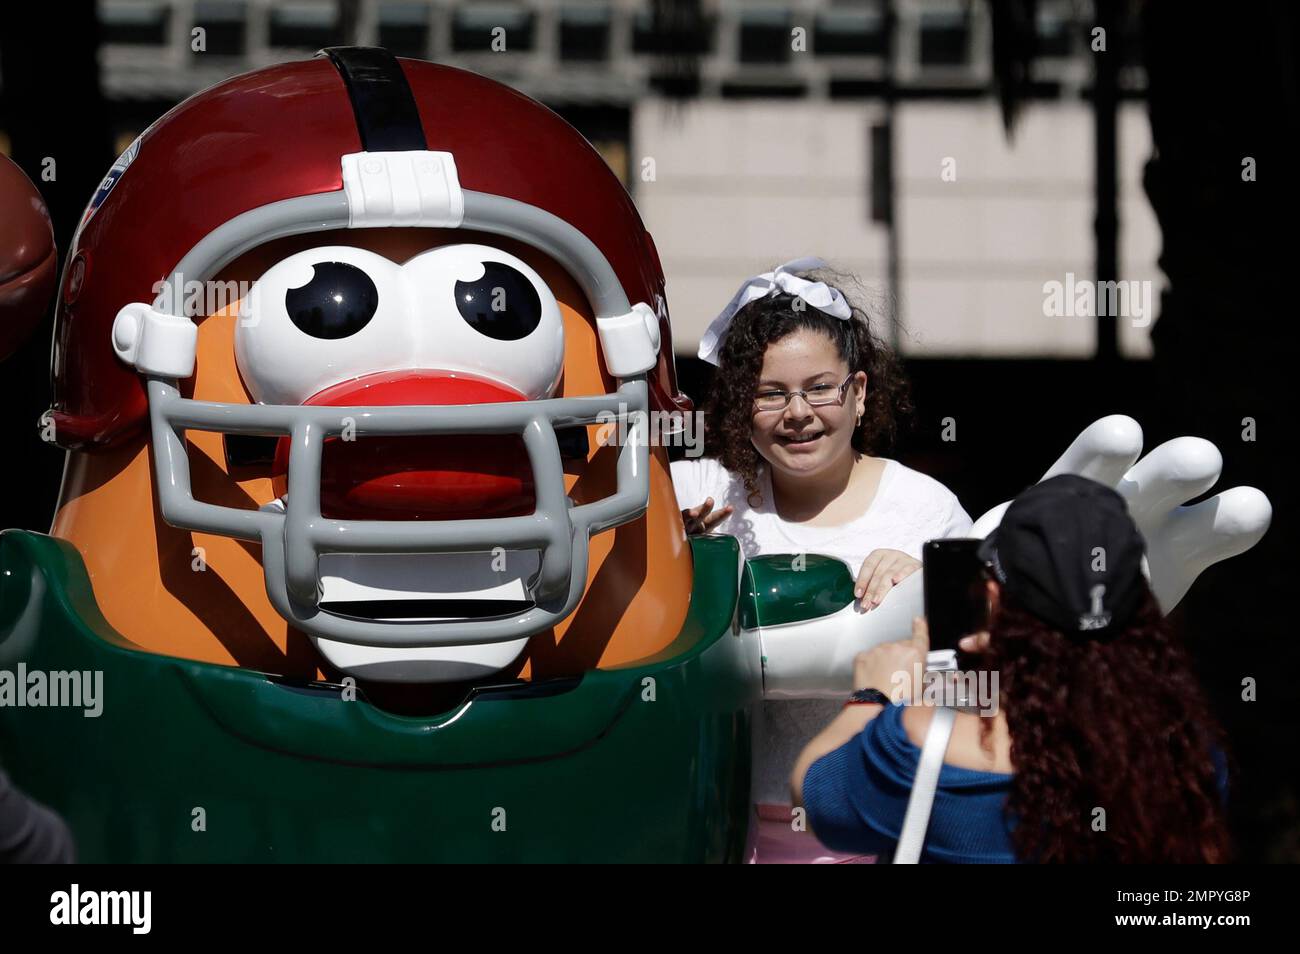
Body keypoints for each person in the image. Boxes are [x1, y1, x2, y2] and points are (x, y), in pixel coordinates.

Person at [670, 257, 974, 836]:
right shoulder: (699, 490)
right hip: (726, 827)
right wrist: (665, 553)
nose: (798, 414)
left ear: (858, 391)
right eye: (771, 394)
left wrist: (926, 598)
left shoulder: (925, 510)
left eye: (819, 389)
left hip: (891, 825)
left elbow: (987, 672)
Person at [790, 474, 1232, 863]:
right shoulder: (1186, 749)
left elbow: (812, 800)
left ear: (995, 603)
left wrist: (873, 697)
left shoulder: (920, 745)